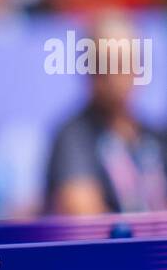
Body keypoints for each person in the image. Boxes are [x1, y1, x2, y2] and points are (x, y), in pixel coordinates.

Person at [45, 11, 167, 216]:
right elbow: (85, 221)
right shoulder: (74, 137)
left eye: (132, 61)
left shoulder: (154, 135)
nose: (125, 73)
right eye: (113, 63)